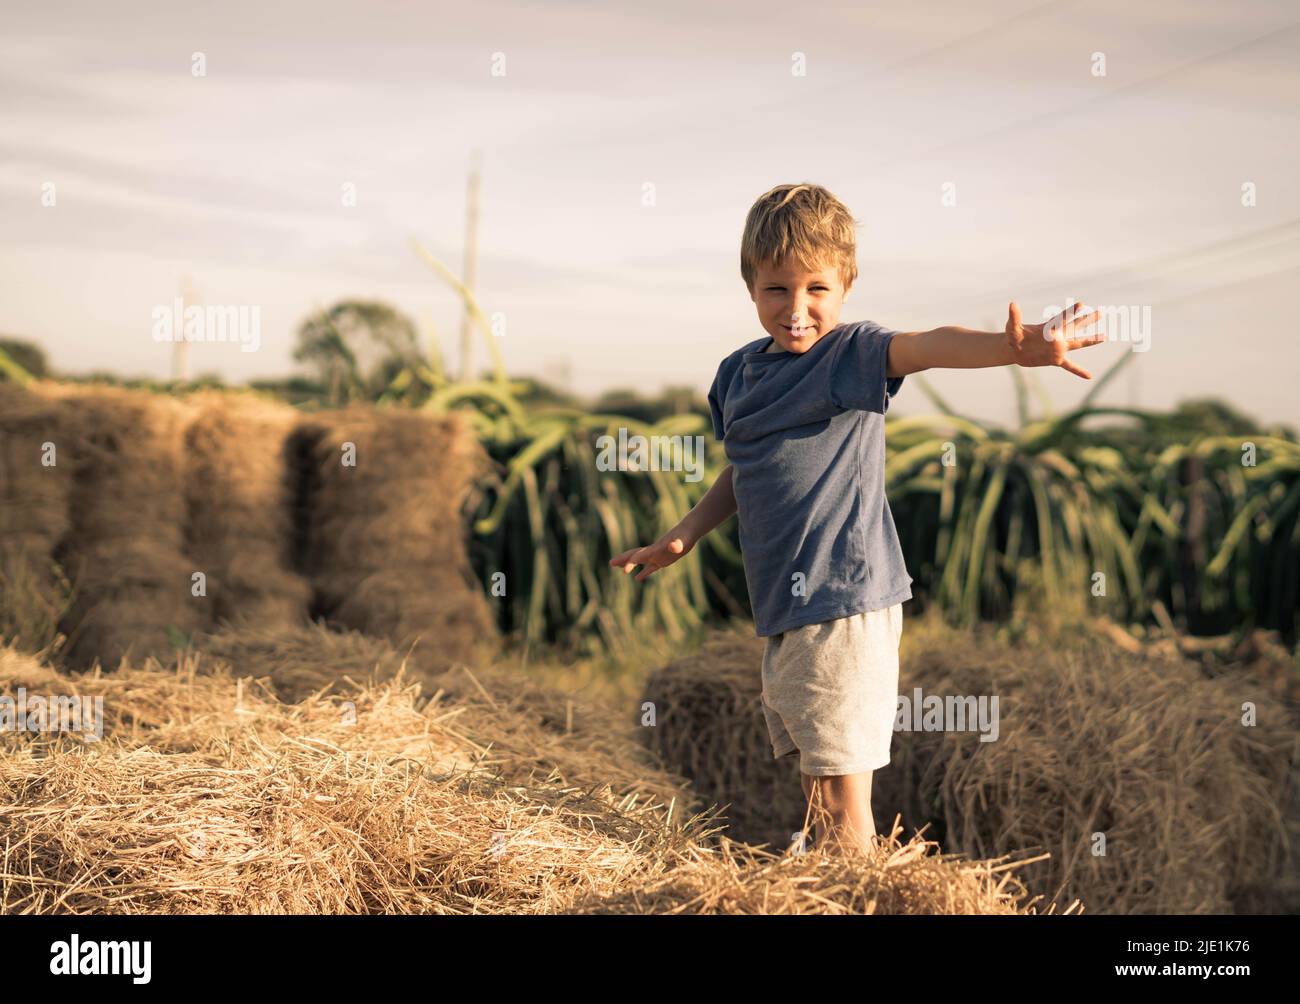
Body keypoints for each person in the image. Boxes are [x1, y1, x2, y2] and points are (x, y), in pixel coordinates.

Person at [610, 182, 1105, 857]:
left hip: (843, 601)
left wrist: (1012, 347)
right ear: (751, 287)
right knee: (819, 788)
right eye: (777, 289)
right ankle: (839, 890)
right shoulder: (738, 376)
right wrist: (685, 533)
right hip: (787, 609)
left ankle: (863, 894)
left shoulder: (848, 356)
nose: (797, 308)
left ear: (846, 287)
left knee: (845, 801)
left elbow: (926, 346)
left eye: (817, 288)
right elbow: (748, 468)